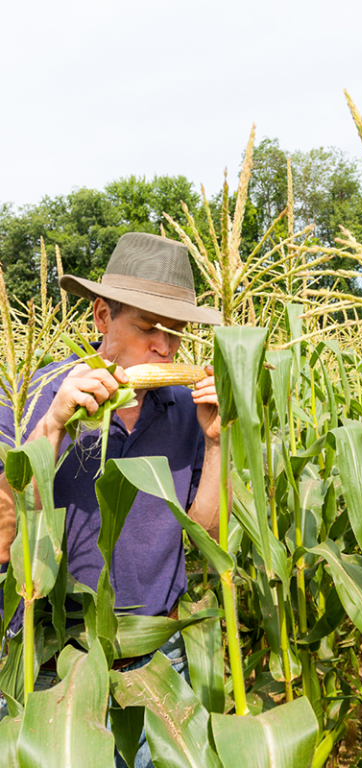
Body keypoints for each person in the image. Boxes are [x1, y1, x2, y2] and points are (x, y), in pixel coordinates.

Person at [0, 232, 224, 767]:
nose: (166, 349)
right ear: (101, 316)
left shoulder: (184, 410)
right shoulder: (28, 393)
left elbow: (209, 537)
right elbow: (3, 541)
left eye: (178, 334)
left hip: (155, 657)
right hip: (52, 658)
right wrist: (51, 428)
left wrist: (216, 443)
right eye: (149, 329)